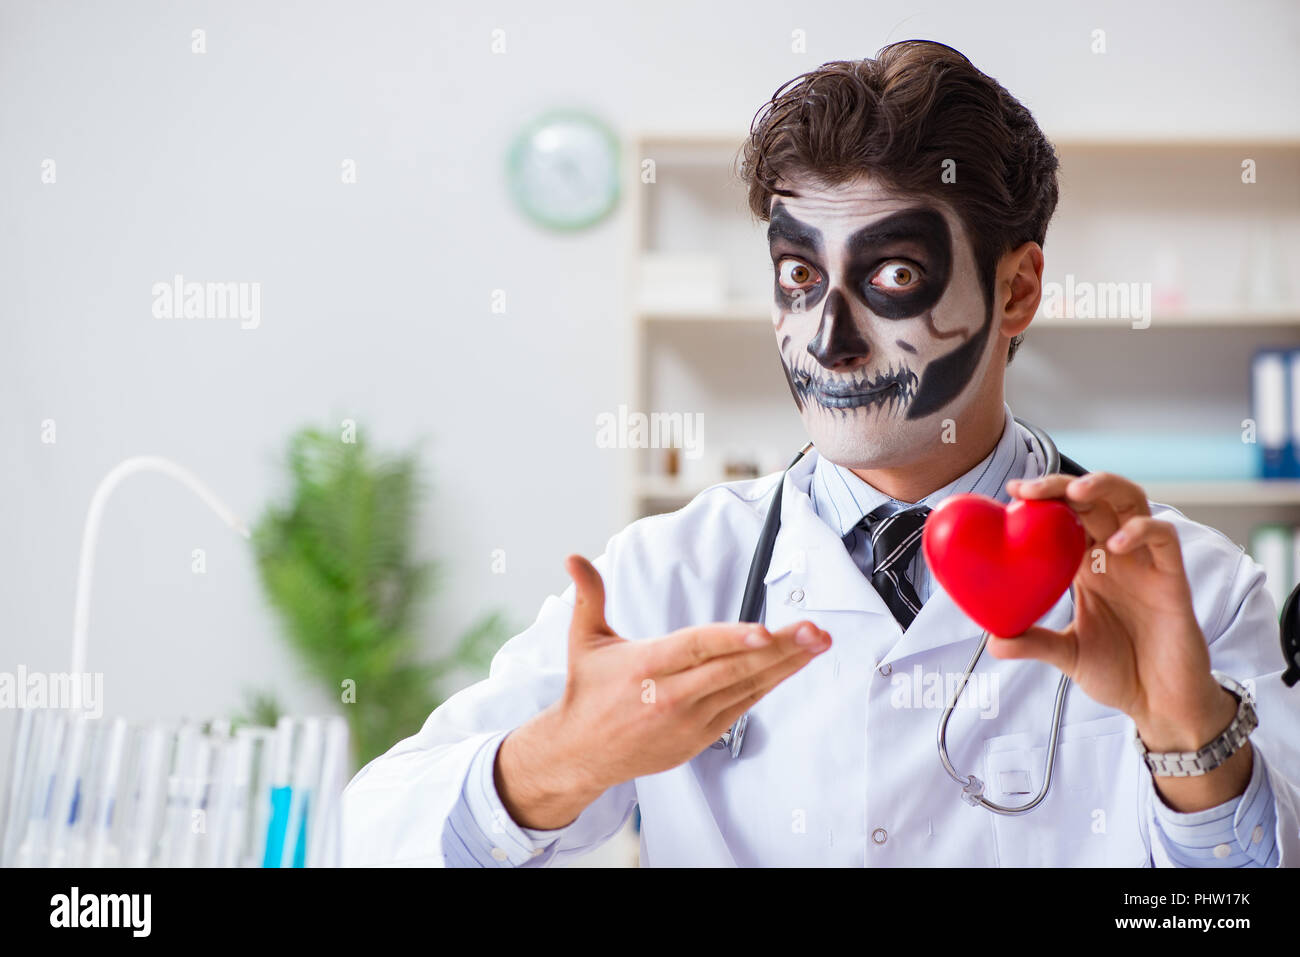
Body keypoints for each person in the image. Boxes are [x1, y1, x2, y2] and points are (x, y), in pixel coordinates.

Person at [341, 40, 1300, 866]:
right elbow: (375, 836)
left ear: (1017, 290)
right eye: (800, 275)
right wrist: (564, 756)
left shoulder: (1191, 592)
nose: (827, 340)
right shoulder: (666, 578)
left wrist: (1193, 742)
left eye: (893, 276)